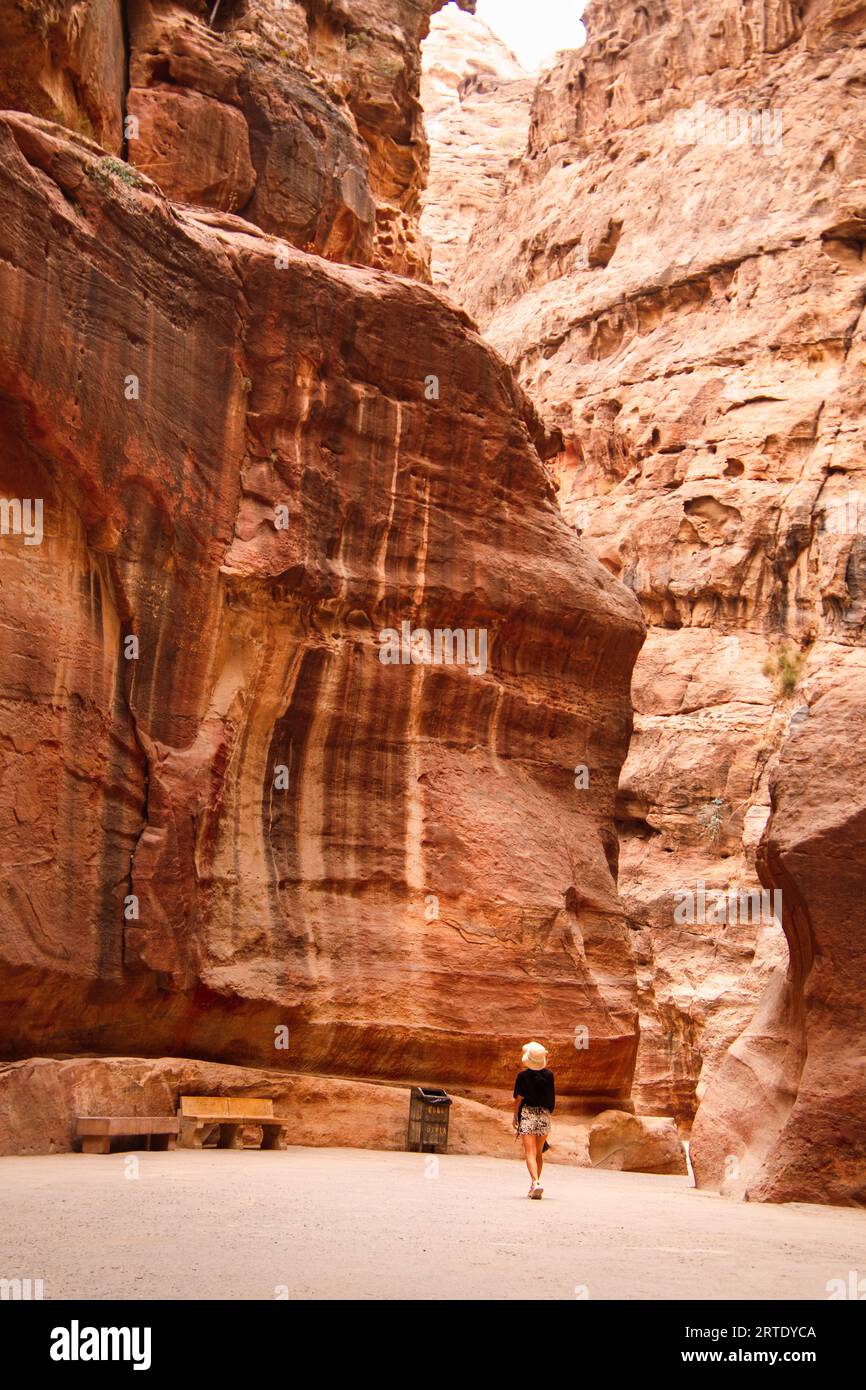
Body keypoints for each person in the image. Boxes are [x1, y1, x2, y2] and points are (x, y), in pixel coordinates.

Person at [512, 1041, 555, 1198]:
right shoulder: (549, 1075)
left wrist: (515, 1115)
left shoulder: (522, 1076)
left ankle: (535, 1182)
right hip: (544, 1115)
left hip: (528, 1114)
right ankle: (536, 1183)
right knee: (538, 1153)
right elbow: (551, 1100)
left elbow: (518, 1098)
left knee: (529, 1152)